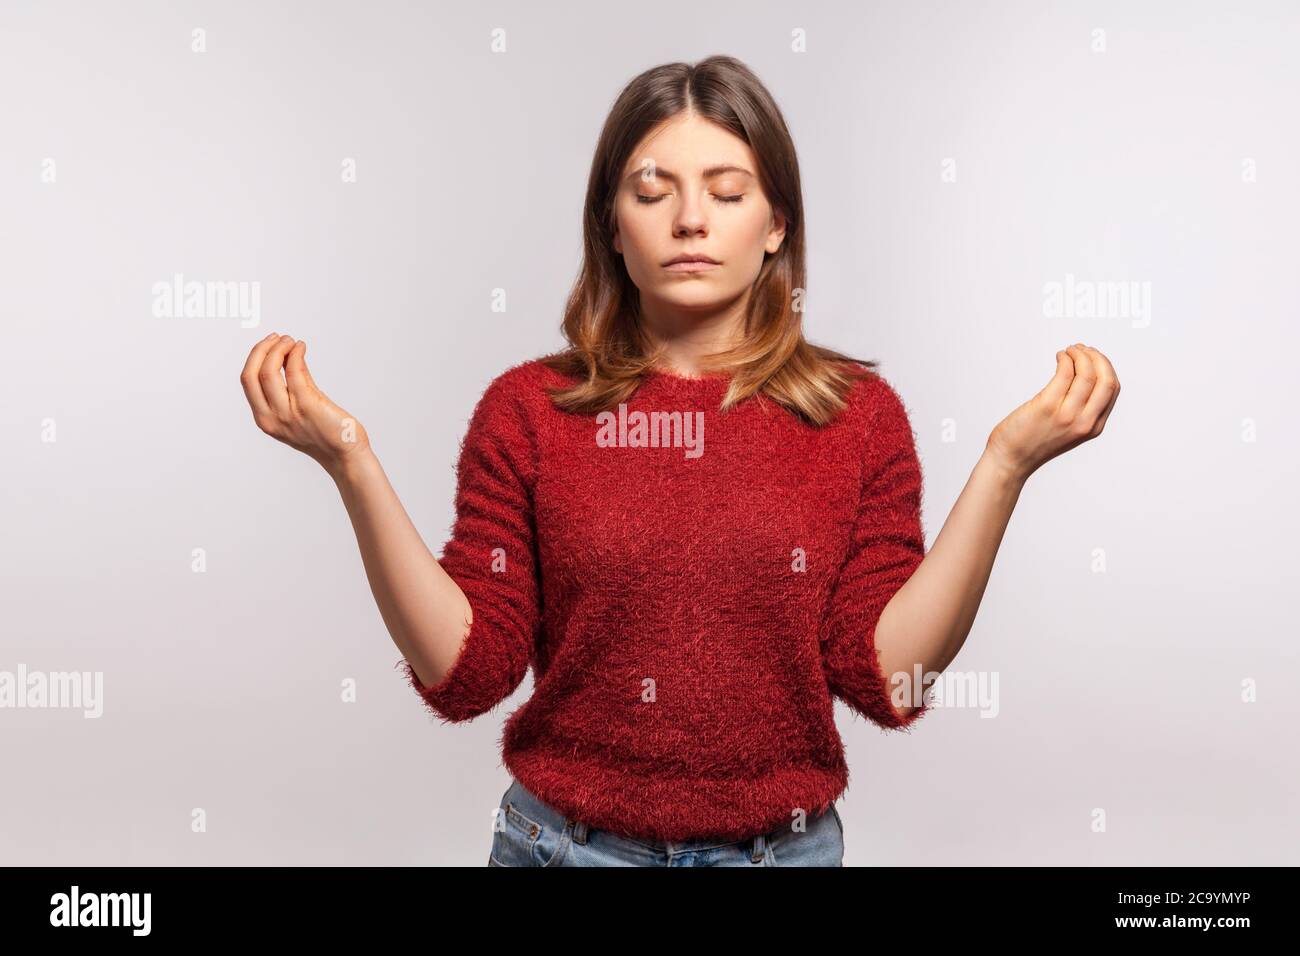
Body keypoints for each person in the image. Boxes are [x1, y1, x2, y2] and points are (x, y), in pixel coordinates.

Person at [238, 55, 1120, 867]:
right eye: (653, 190)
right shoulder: (529, 412)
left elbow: (887, 677)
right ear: (612, 229)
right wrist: (351, 466)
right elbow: (467, 673)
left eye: (727, 192)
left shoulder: (856, 418)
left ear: (776, 225)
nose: (690, 219)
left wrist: (1006, 466)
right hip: (566, 851)